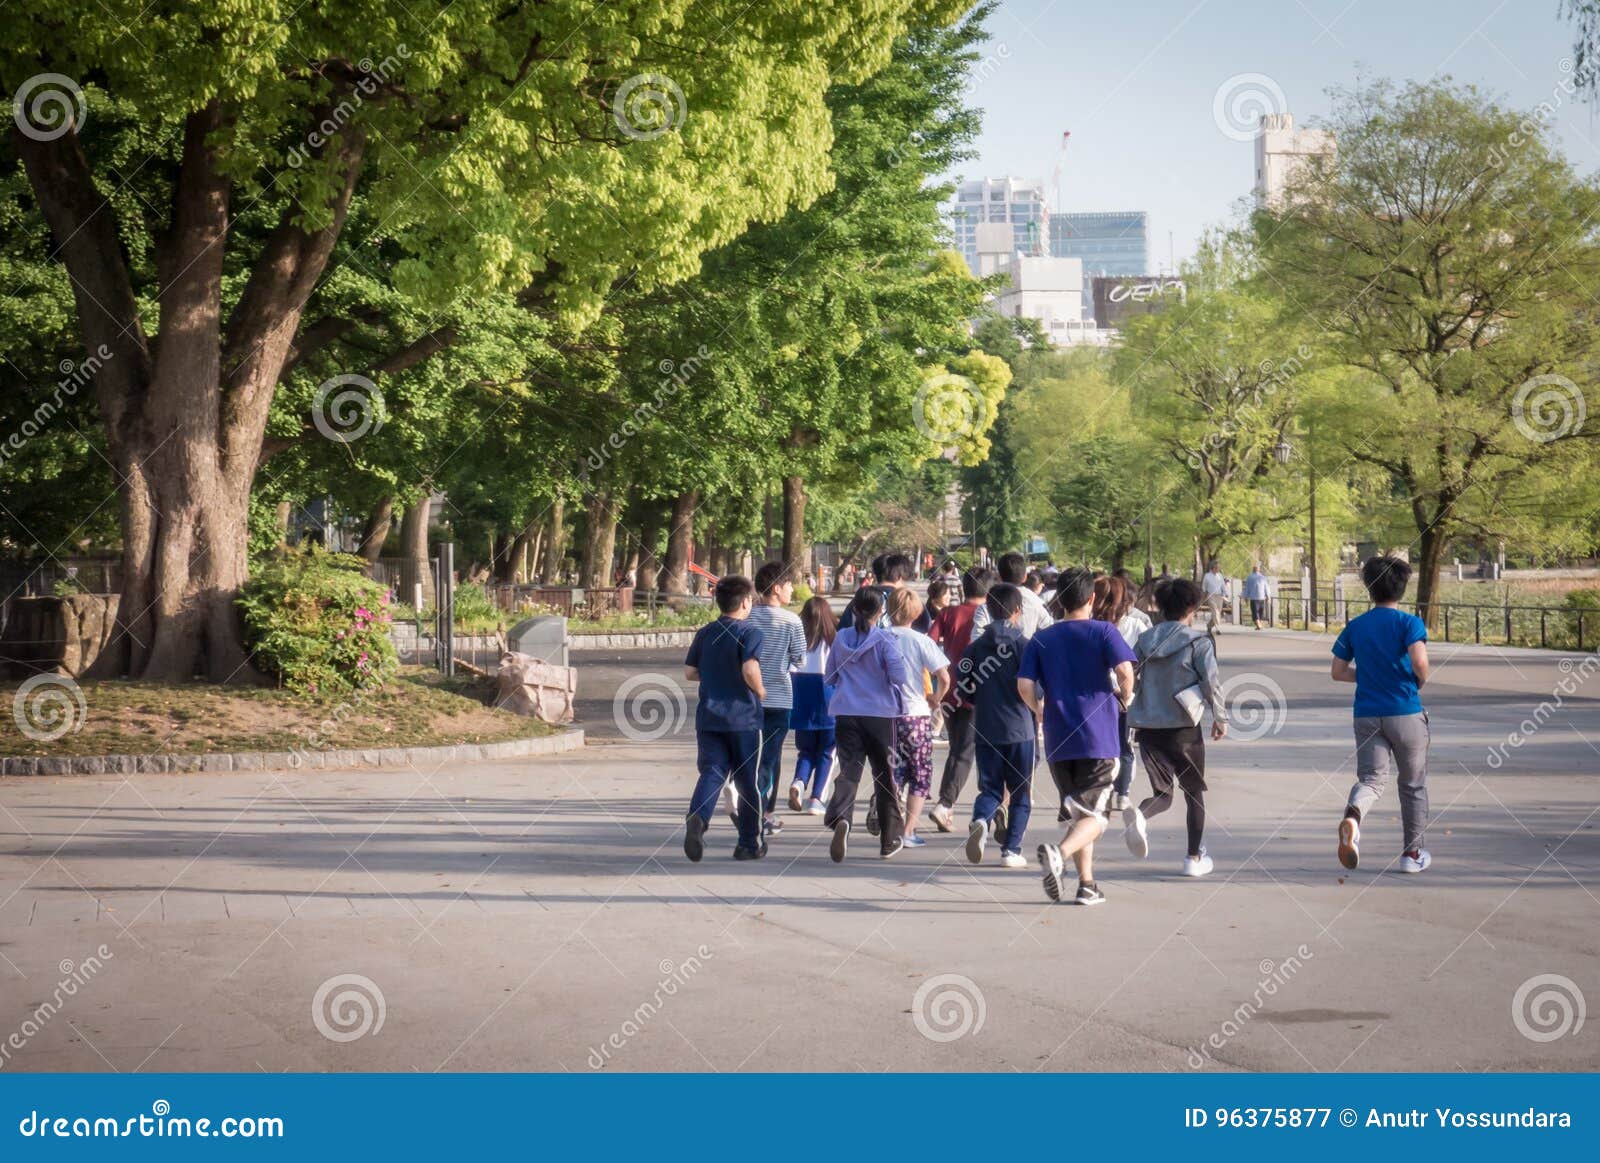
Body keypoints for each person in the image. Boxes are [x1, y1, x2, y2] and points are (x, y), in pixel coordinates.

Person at [1018, 568, 1136, 905]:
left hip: (1058, 735)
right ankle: (1060, 853)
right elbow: (1126, 672)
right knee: (1097, 816)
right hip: (1098, 735)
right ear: (1091, 598)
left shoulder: (1042, 638)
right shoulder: (1103, 631)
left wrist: (1038, 708)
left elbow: (1024, 685)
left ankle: (1087, 884)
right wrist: (1123, 698)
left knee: (1081, 814)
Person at [1331, 556, 1432, 873]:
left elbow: (1338, 671)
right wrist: (1416, 683)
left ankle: (1353, 818)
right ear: (1401, 589)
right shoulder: (1409, 623)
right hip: (1405, 711)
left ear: (1369, 588)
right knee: (1412, 784)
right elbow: (1420, 663)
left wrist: (1370, 676)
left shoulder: (1356, 625)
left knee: (1371, 781)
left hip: (1366, 714)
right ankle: (1412, 855)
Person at [1123, 578, 1228, 876]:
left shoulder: (1144, 640)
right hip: (1184, 729)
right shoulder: (1199, 642)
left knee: (1163, 794)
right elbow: (1211, 683)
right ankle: (1193, 859)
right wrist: (1220, 717)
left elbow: (1131, 674)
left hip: (1148, 727)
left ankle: (1141, 815)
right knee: (1193, 793)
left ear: (1161, 607)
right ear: (1192, 607)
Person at [823, 587, 913, 861]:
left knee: (849, 771)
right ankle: (890, 839)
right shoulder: (886, 639)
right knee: (885, 776)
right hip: (881, 716)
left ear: (855, 609)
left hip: (847, 713)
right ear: (880, 611)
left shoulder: (841, 638)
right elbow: (899, 677)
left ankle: (842, 817)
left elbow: (830, 676)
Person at [683, 575, 767, 862]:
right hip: (743, 719)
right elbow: (749, 668)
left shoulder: (705, 633)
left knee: (713, 772)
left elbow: (690, 672)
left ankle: (698, 817)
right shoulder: (750, 633)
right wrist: (760, 690)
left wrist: (714, 673)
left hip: (709, 717)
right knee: (747, 781)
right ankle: (748, 844)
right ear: (746, 602)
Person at [962, 584, 1036, 869]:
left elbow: (965, 685)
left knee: (991, 788)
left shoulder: (976, 647)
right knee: (1020, 791)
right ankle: (1011, 850)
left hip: (986, 726)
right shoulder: (1026, 645)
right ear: (1018, 611)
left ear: (989, 611)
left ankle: (981, 819)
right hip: (1020, 728)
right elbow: (1034, 687)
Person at [883, 588, 951, 847]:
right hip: (915, 713)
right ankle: (908, 830)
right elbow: (944, 677)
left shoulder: (878, 638)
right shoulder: (921, 641)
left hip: (884, 714)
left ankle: (887, 817)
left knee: (891, 769)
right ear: (916, 612)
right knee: (920, 772)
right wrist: (936, 699)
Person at [927, 567, 992, 832]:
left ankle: (947, 807)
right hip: (978, 691)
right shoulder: (987, 616)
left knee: (958, 749)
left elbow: (929, 643)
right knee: (965, 753)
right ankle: (945, 803)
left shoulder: (948, 614)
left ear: (963, 588)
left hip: (950, 688)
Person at [748, 562, 806, 837]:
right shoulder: (792, 621)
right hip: (779, 698)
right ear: (776, 588)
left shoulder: (745, 618)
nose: (793, 588)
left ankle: (750, 806)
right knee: (770, 759)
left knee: (749, 756)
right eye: (789, 584)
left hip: (747, 698)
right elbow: (800, 658)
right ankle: (763, 814)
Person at [1093, 574, 1152, 812]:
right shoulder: (1137, 624)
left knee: (1100, 746)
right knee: (1123, 745)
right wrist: (1129, 693)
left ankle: (1102, 791)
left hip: (1094, 694)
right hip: (1125, 695)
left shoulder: (1088, 623)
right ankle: (1122, 793)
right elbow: (1142, 662)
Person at [788, 597, 838, 815]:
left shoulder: (797, 643)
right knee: (828, 751)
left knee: (806, 750)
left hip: (801, 702)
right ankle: (817, 797)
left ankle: (799, 782)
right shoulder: (834, 642)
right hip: (829, 703)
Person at [972, 551, 1051, 638]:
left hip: (994, 651)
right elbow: (1049, 630)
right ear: (1025, 577)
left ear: (999, 577)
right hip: (1028, 650)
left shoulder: (986, 605)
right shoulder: (1037, 602)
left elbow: (976, 638)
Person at [1200, 562, 1228, 629]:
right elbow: (1204, 587)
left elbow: (1223, 585)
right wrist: (1203, 597)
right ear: (1212, 568)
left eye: (1218, 567)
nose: (1218, 569)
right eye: (1216, 567)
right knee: (1215, 611)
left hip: (1219, 596)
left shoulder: (1220, 575)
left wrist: (1225, 594)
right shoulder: (1207, 575)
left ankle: (1209, 625)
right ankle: (1218, 627)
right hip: (1211, 596)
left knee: (1218, 612)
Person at [1243, 564, 1270, 628]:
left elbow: (1247, 588)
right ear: (1259, 570)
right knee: (1260, 611)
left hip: (1254, 598)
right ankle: (1259, 623)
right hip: (1261, 597)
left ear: (1253, 570)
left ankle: (1258, 624)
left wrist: (1246, 597)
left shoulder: (1249, 577)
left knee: (1255, 611)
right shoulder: (1263, 577)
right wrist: (1268, 596)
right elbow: (1266, 587)